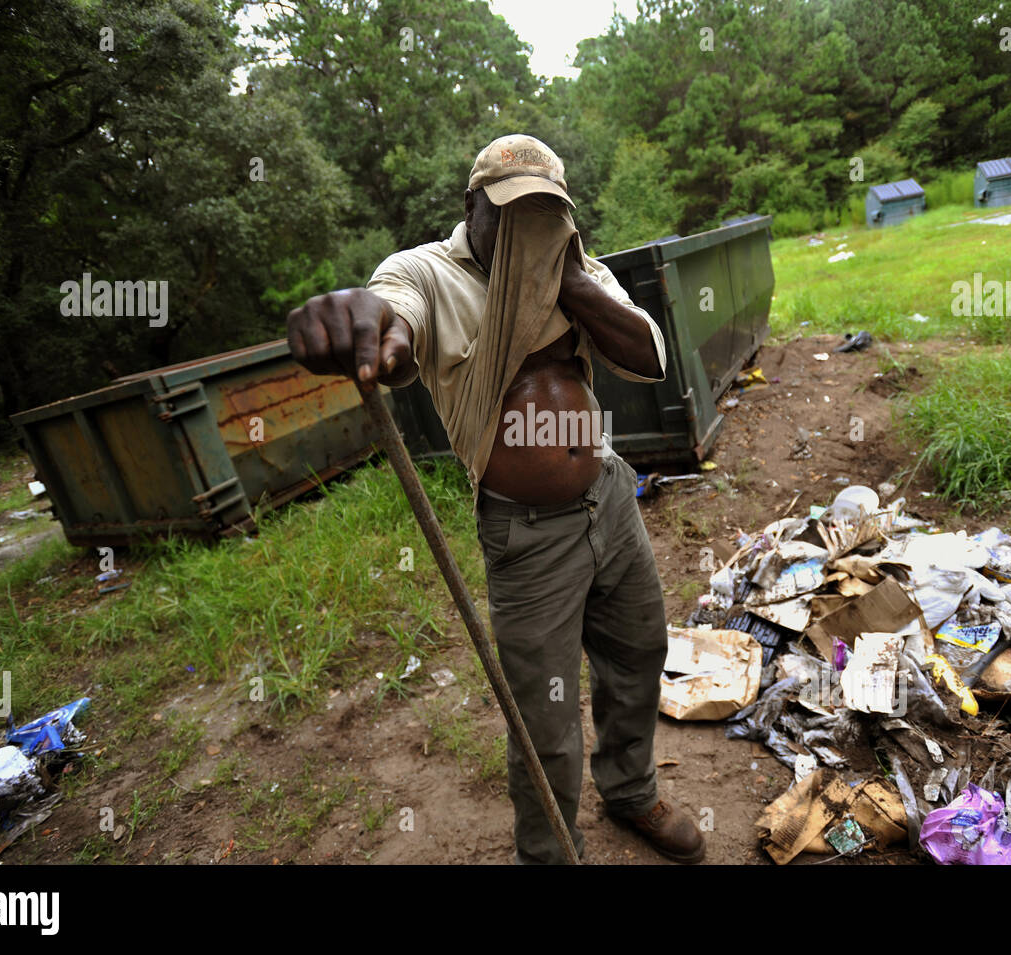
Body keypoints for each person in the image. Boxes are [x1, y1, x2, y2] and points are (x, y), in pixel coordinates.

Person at [286, 134, 705, 865]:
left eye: (544, 216)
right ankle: (551, 853)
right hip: (528, 531)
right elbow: (395, 312)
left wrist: (568, 281)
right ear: (470, 206)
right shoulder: (427, 271)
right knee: (542, 714)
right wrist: (374, 331)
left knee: (638, 653)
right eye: (508, 214)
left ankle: (631, 790)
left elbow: (647, 356)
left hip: (608, 495)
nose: (525, 230)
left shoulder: (578, 270)